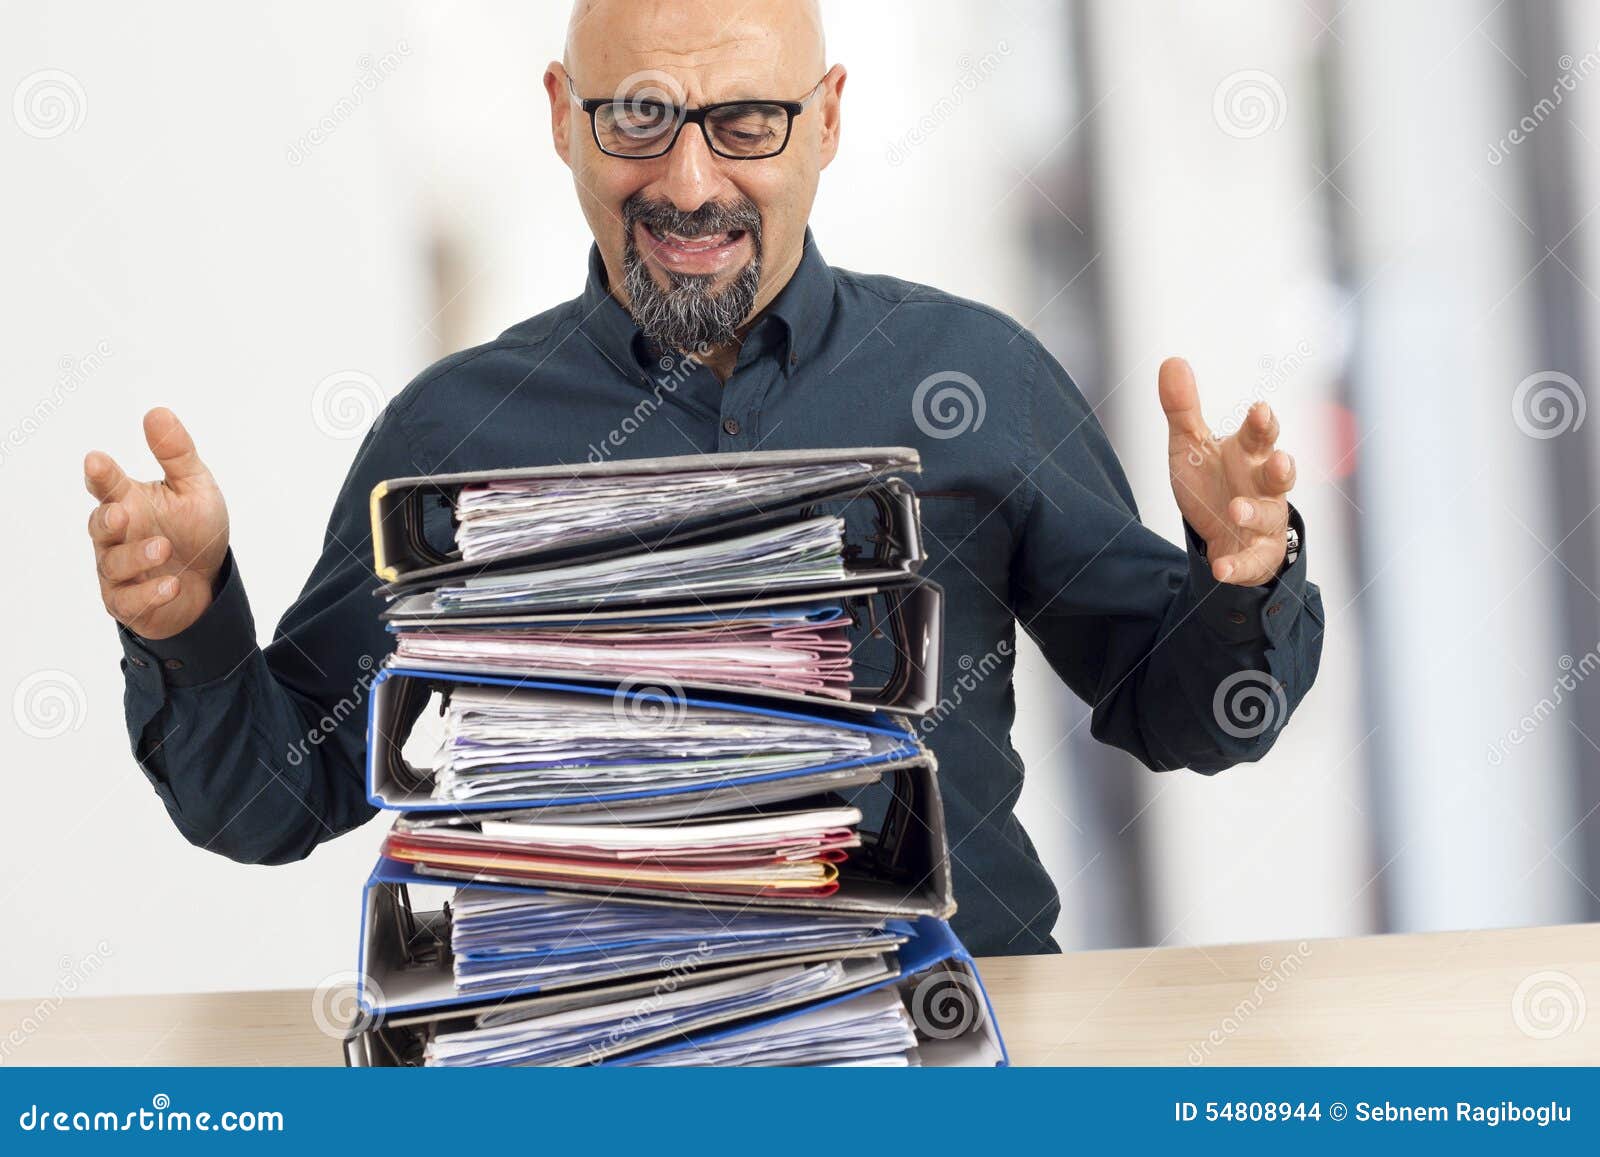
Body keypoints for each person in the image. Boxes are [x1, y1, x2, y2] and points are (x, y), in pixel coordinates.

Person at [82, 0, 1322, 955]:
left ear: (827, 118)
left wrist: (1238, 578)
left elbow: (1188, 714)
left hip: (945, 1047)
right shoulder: (451, 435)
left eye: (746, 121)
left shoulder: (975, 377)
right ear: (563, 113)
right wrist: (189, 624)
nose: (687, 183)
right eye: (637, 118)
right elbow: (271, 798)